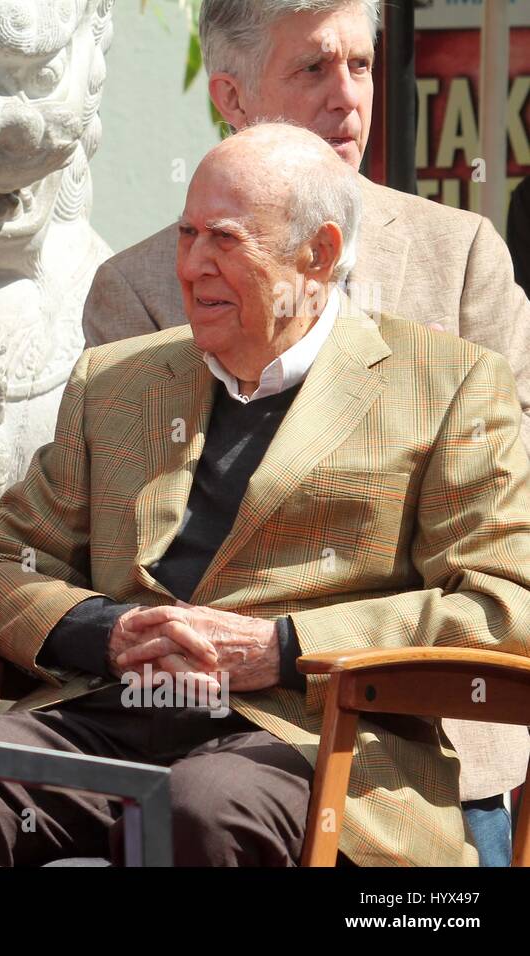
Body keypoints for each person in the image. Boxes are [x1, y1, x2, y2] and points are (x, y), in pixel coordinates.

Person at [0, 123, 530, 867]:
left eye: (226, 240)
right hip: (112, 714)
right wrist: (103, 632)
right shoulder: (118, 383)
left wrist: (284, 648)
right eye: (186, 234)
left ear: (319, 255)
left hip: (309, 740)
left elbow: (504, 608)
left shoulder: (447, 384)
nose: (191, 265)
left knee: (197, 804)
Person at [82, 0, 530, 865]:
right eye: (314, 69)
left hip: (436, 758)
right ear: (232, 97)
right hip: (207, 765)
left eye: (361, 66)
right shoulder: (140, 289)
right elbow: (124, 541)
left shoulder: (463, 255)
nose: (348, 98)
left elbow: (511, 528)